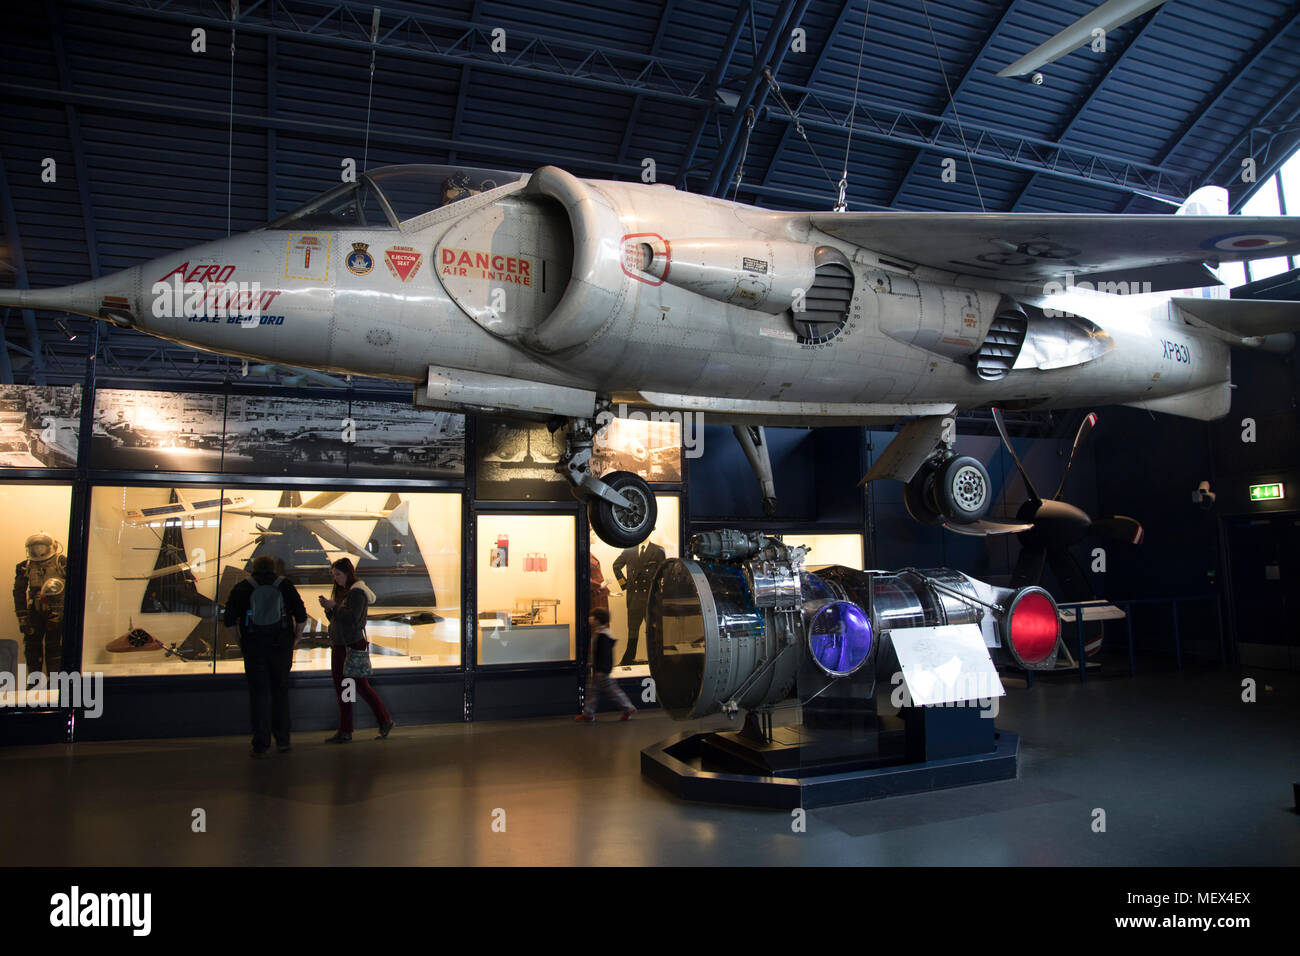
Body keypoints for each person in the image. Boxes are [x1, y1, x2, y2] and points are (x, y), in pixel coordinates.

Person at [223, 555, 307, 758]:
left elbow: (229, 620)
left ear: (253, 568)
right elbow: (302, 617)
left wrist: (240, 642)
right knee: (280, 691)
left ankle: (260, 744)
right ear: (274, 568)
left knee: (258, 694)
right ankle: (283, 740)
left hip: (254, 647)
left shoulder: (243, 587)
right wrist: (295, 639)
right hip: (280, 646)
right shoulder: (284, 585)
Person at [319, 557, 393, 742]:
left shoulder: (356, 593)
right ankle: (355, 726)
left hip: (349, 646)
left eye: (338, 574)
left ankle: (351, 728)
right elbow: (344, 620)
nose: (336, 578)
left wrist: (334, 607)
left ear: (347, 573)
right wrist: (330, 610)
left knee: (354, 685)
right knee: (352, 686)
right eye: (334, 575)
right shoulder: (348, 592)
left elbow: (352, 619)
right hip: (344, 645)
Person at [13, 533, 67, 682]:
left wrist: (65, 612)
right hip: (34, 610)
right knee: (32, 645)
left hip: (56, 608)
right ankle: (35, 681)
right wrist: (22, 617)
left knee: (54, 645)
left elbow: (76, 587)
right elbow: (19, 592)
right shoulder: (25, 566)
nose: (37, 551)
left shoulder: (61, 562)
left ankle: (55, 681)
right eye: (34, 548)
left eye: (41, 547)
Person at [575, 608, 636, 722]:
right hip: (598, 669)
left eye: (592, 617)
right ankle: (588, 713)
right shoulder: (602, 633)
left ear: (598, 620)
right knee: (593, 691)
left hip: (601, 670)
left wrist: (599, 667)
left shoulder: (603, 636)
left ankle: (628, 707)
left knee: (611, 691)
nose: (590, 619)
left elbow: (603, 654)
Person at [612, 537, 666, 667]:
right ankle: (628, 659)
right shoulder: (629, 549)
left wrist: (658, 589)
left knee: (654, 631)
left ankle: (657, 660)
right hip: (634, 598)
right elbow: (616, 566)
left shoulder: (658, 550)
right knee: (633, 631)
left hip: (650, 598)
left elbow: (663, 572)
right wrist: (624, 585)